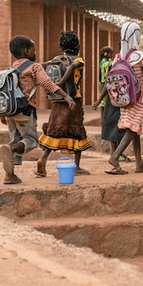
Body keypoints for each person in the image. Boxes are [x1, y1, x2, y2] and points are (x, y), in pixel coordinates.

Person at [0, 35, 75, 185]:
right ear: (26, 51)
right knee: (31, 141)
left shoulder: (11, 68)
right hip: (26, 110)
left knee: (15, 139)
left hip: (10, 112)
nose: (35, 53)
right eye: (34, 50)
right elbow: (47, 83)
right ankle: (11, 149)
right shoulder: (35, 67)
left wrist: (3, 114)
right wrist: (66, 96)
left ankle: (10, 175)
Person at [37, 31, 92, 177]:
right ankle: (77, 166)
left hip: (58, 100)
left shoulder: (57, 59)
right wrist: (61, 83)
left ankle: (43, 159)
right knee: (77, 131)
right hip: (74, 100)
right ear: (77, 46)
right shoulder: (79, 60)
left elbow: (42, 65)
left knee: (54, 129)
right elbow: (72, 67)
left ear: (62, 47)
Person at [103, 22, 143, 175]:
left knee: (133, 128)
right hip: (137, 98)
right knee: (133, 128)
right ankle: (115, 157)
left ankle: (139, 164)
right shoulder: (139, 56)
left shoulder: (118, 57)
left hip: (123, 98)